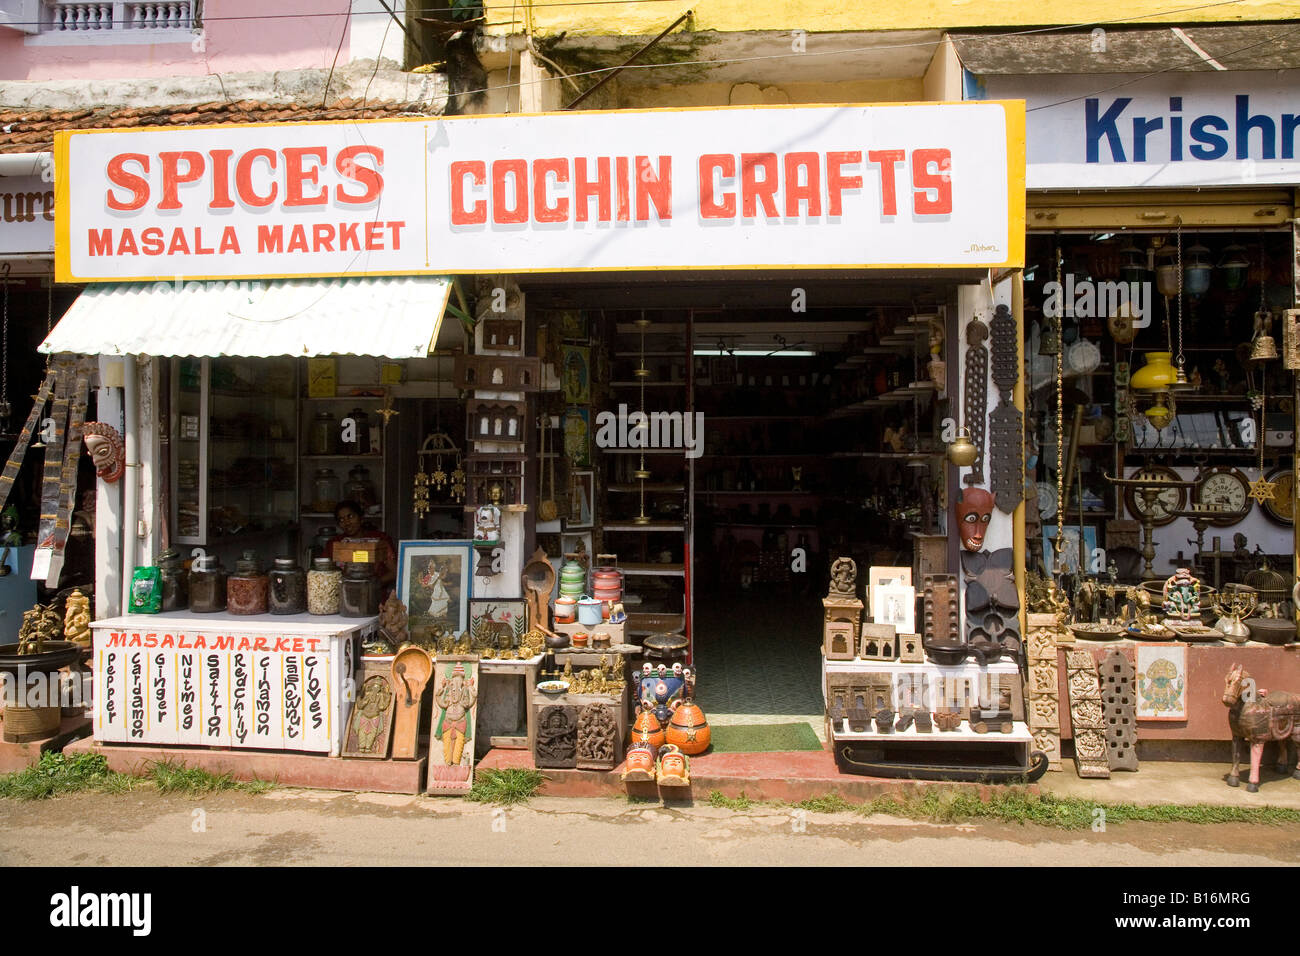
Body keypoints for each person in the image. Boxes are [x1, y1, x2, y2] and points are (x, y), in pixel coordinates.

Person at [324, 500, 397, 595]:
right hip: (344, 596)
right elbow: (326, 573)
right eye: (341, 520)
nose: (347, 523)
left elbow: (395, 572)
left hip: (375, 596)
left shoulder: (380, 540)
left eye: (350, 516)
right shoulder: (334, 543)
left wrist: (371, 585)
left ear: (361, 518)